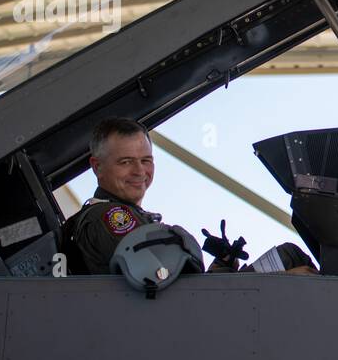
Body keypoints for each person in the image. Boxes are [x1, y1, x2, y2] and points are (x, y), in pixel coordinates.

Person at [62, 117, 316, 276]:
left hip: (180, 317)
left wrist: (219, 268)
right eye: (126, 162)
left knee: (288, 256)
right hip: (173, 326)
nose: (139, 171)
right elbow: (167, 293)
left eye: (145, 160)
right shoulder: (111, 217)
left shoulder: (118, 215)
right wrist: (286, 281)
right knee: (294, 264)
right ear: (97, 166)